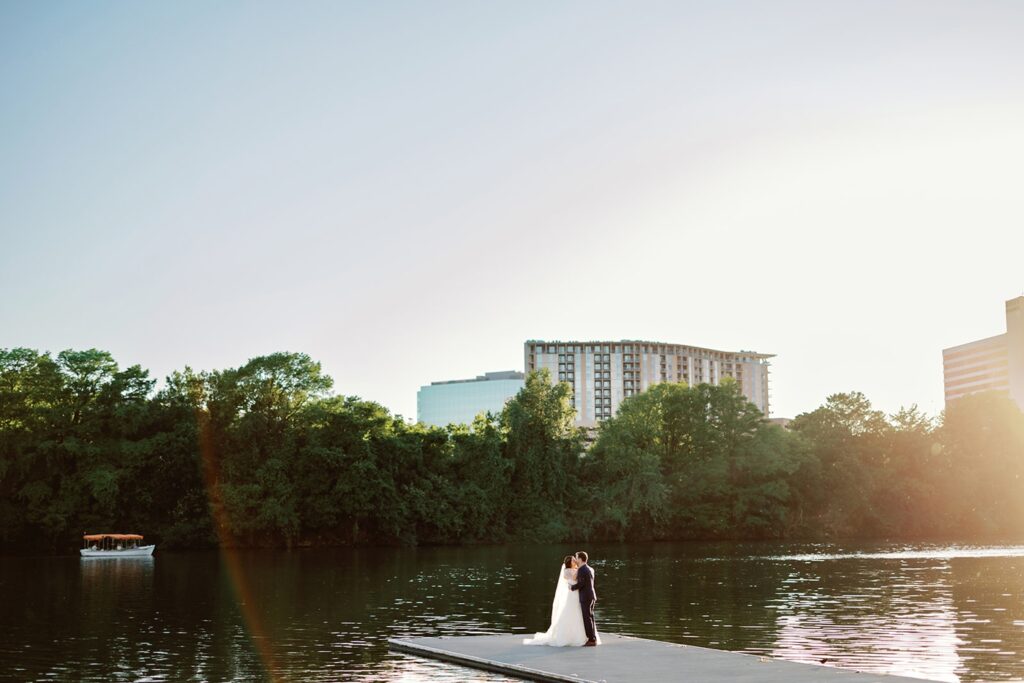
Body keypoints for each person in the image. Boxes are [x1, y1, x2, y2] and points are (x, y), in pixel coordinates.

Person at [523, 555, 591, 647]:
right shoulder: (567, 571)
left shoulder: (577, 569)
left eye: (575, 559)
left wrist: (579, 567)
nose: (575, 561)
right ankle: (569, 636)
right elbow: (575, 578)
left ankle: (583, 635)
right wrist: (580, 567)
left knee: (578, 612)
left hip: (577, 594)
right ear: (570, 562)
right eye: (573, 560)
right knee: (571, 611)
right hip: (572, 594)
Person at [570, 550, 597, 646]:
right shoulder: (588, 568)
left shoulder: (582, 570)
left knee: (587, 618)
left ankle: (591, 640)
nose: (576, 559)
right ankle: (593, 638)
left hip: (586, 597)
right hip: (591, 596)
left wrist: (572, 587)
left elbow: (581, 583)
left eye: (577, 558)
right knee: (590, 617)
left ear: (581, 559)